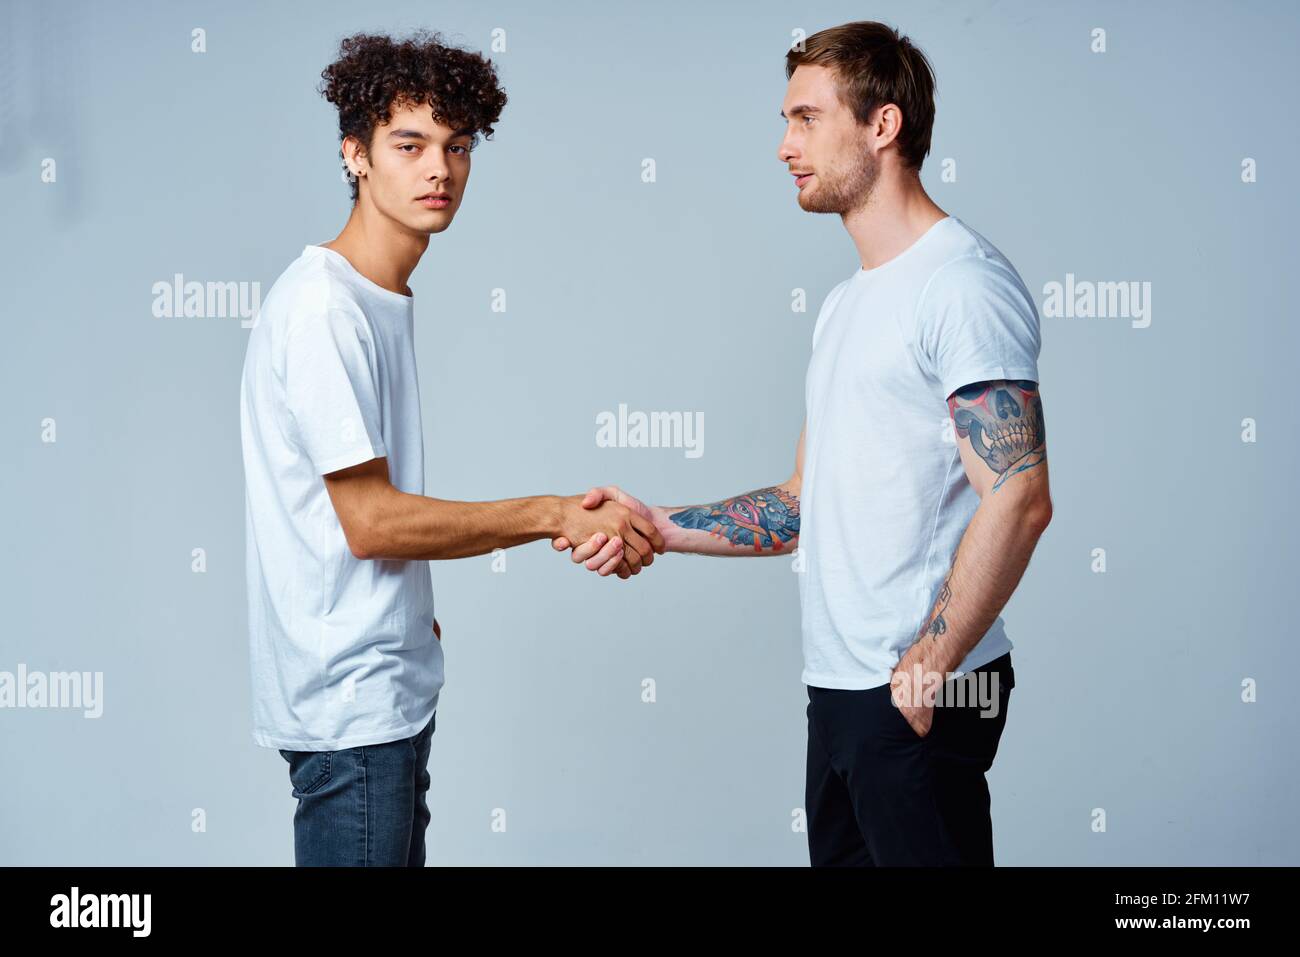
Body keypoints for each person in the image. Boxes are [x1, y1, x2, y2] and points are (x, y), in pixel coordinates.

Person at [553, 20, 1052, 866]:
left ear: (882, 125)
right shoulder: (847, 305)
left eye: (806, 119)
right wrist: (659, 524)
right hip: (845, 690)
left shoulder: (961, 285)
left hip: (919, 686)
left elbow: (1021, 495)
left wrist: (933, 660)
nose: (785, 145)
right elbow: (798, 503)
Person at [239, 31, 662, 867]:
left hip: (387, 697)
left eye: (457, 146)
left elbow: (352, 523)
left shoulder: (374, 297)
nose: (440, 169)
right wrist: (552, 514)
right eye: (410, 145)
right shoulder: (325, 309)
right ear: (355, 153)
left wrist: (407, 620)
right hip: (352, 714)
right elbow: (370, 522)